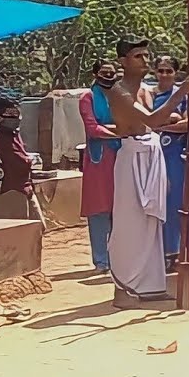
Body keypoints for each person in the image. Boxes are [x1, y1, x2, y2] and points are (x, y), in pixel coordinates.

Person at [100, 39, 189, 307]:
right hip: (133, 158)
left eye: (145, 55)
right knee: (129, 223)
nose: (144, 60)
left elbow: (157, 122)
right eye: (137, 56)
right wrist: (181, 93)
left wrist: (177, 116)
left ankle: (150, 285)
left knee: (152, 222)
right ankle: (124, 288)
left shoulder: (146, 90)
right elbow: (151, 120)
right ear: (123, 61)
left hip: (152, 153)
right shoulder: (119, 91)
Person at [150, 56, 189, 268]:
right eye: (160, 70)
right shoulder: (147, 94)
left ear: (176, 73)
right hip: (152, 153)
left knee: (174, 203)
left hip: (175, 155)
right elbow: (145, 119)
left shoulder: (184, 94)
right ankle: (154, 252)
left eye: (168, 71)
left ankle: (173, 252)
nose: (164, 75)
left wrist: (161, 127)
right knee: (153, 202)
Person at [79, 60, 120, 272]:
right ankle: (101, 260)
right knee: (99, 210)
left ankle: (117, 258)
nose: (108, 76)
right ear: (95, 74)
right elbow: (92, 127)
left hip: (121, 155)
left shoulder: (120, 96)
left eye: (112, 73)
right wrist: (121, 131)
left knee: (119, 209)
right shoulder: (88, 97)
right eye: (104, 73)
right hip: (98, 158)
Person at [0, 97, 41, 221]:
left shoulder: (14, 134)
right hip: (14, 191)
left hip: (25, 188)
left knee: (38, 229)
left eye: (16, 115)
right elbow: (20, 162)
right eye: (10, 116)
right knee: (24, 233)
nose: (16, 119)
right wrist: (32, 160)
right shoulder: (3, 139)